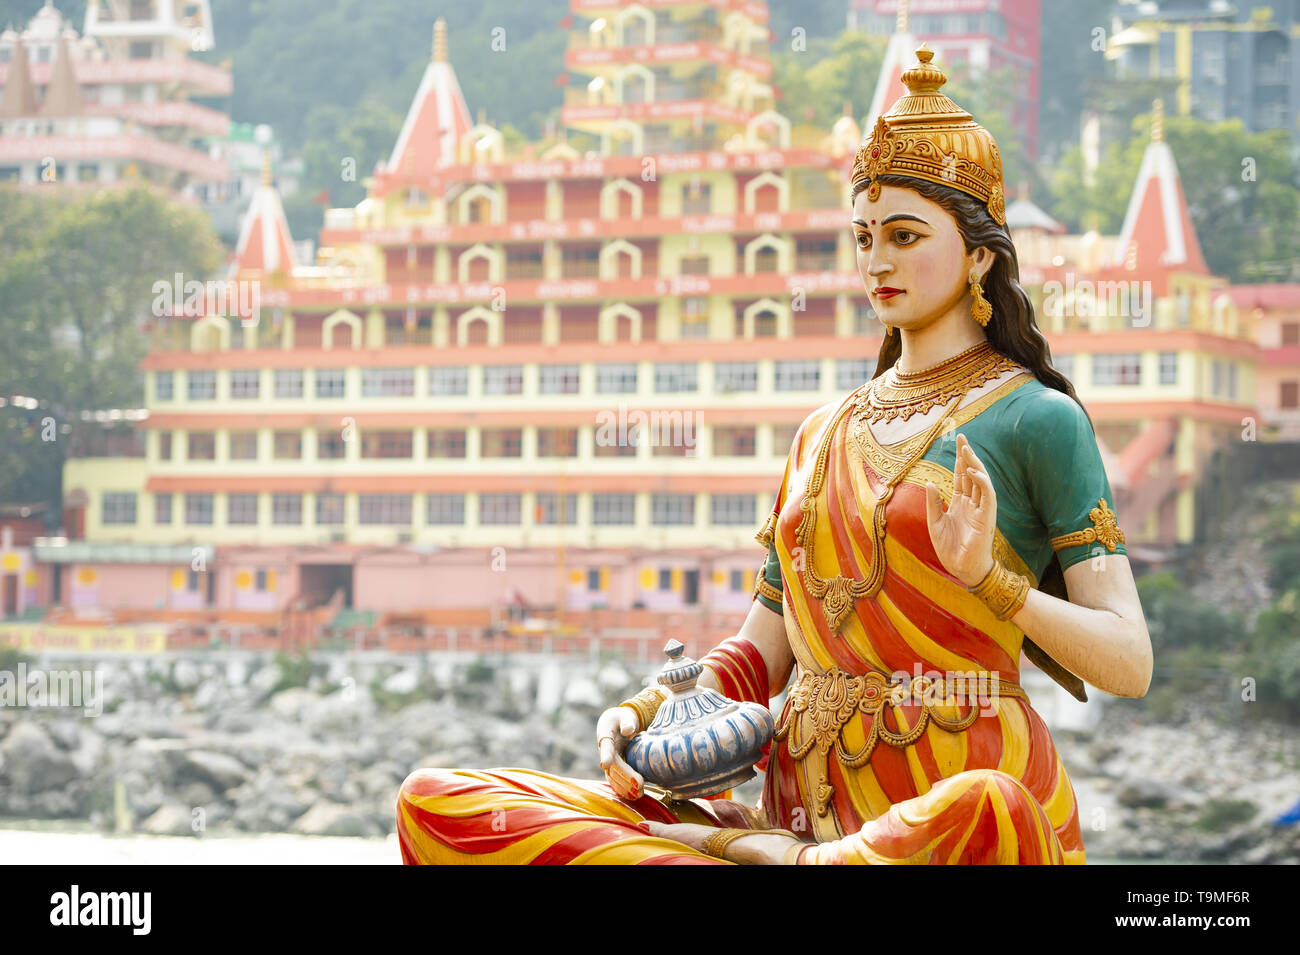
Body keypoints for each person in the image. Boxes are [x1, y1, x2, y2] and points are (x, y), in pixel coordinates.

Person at [396, 45, 1152, 865]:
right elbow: (762, 651)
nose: (877, 261)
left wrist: (994, 584)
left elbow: (1128, 659)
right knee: (442, 802)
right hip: (795, 809)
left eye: (905, 235)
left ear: (980, 254)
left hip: (954, 813)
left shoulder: (1037, 417)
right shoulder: (820, 431)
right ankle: (783, 855)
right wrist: (648, 712)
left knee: (986, 807)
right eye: (863, 236)